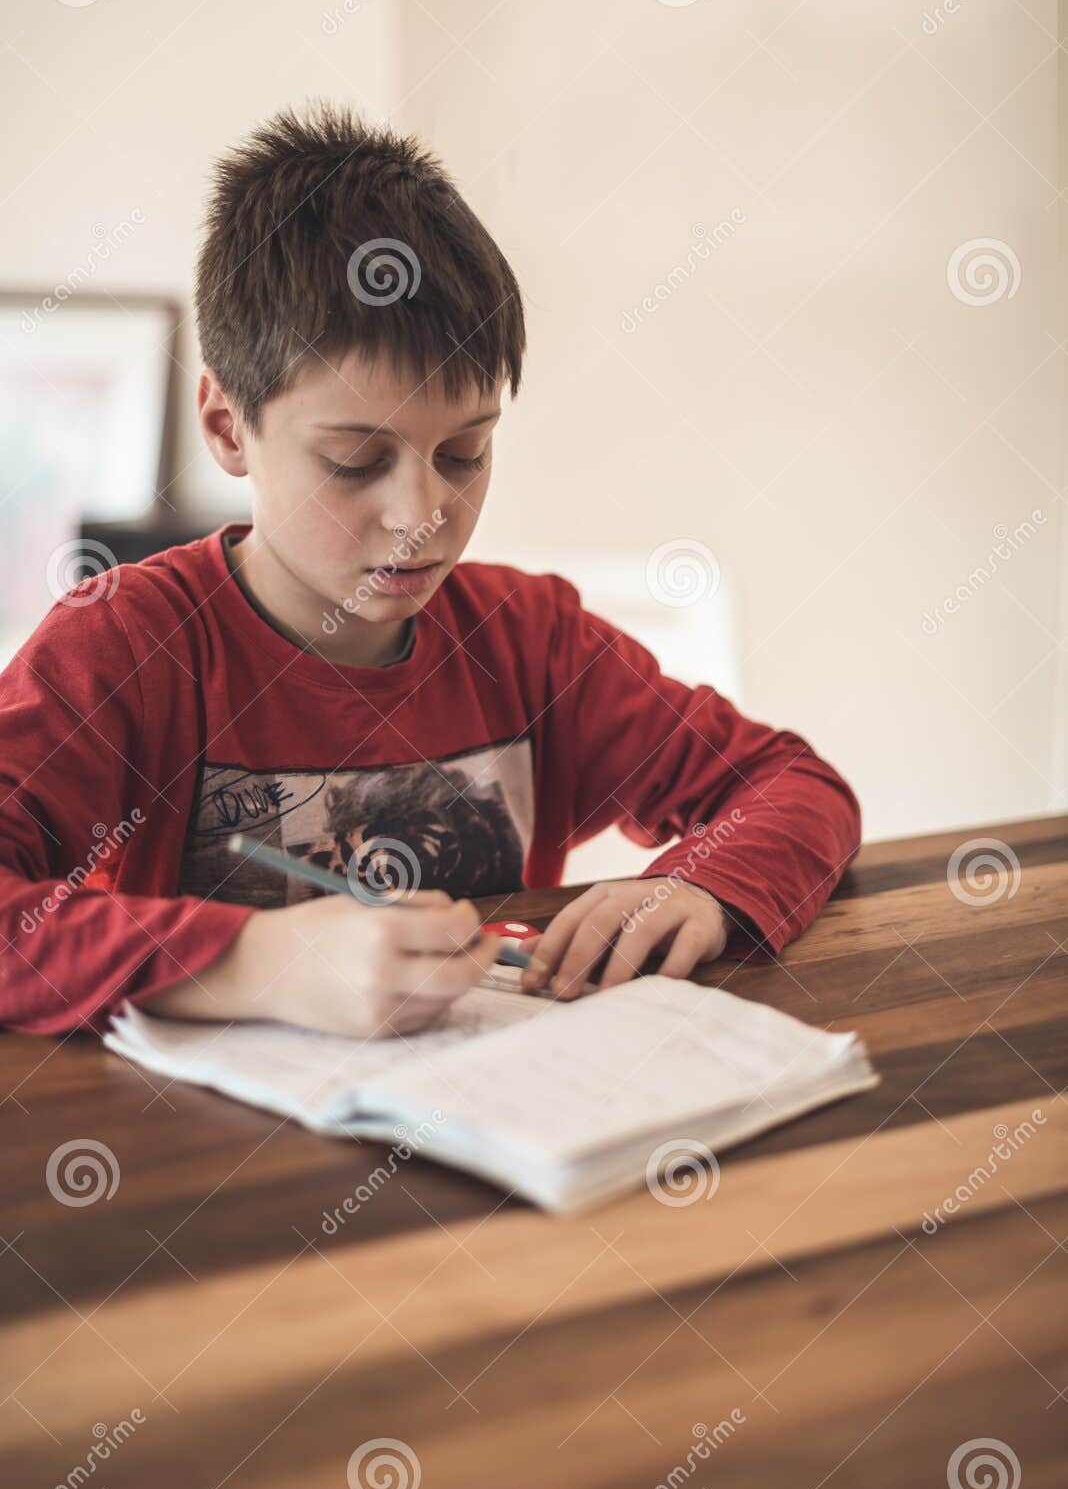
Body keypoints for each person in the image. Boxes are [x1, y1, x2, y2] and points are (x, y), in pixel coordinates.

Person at [0, 103, 860, 1039]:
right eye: (355, 461)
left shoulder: (530, 643)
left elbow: (792, 782)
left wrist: (699, 884)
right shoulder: (127, 646)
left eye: (463, 453)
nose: (422, 516)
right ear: (226, 427)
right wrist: (253, 963)